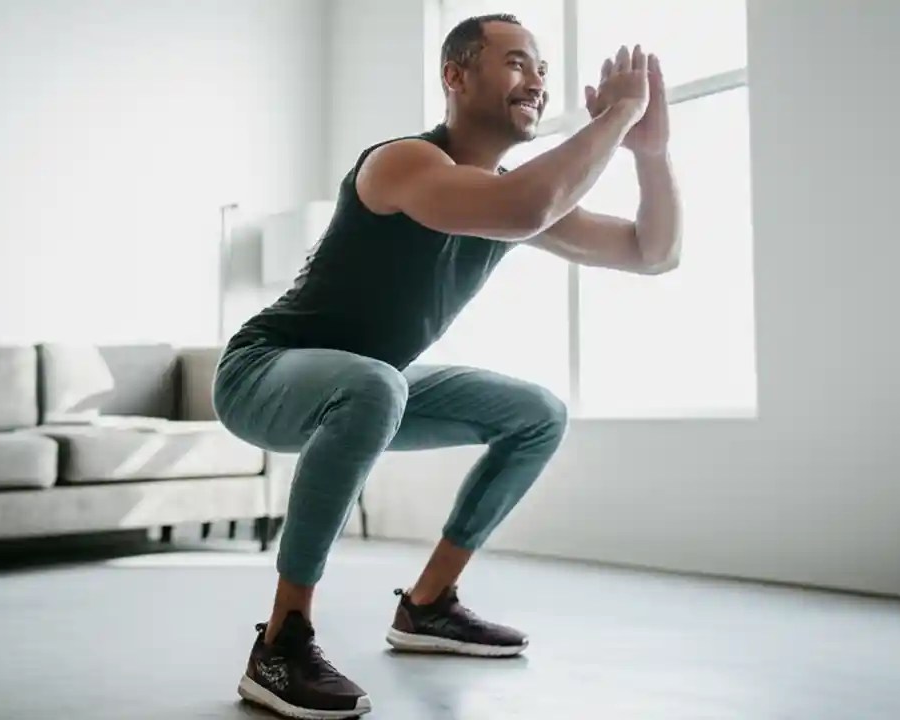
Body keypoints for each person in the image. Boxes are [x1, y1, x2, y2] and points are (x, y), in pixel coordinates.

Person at [214, 12, 681, 719]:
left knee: (536, 415)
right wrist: (617, 116)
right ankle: (281, 643)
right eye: (517, 62)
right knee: (374, 383)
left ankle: (428, 604)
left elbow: (653, 252)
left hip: (373, 384)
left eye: (543, 69)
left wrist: (650, 150)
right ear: (455, 76)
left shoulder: (512, 196)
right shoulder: (403, 163)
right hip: (262, 373)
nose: (537, 80)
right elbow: (525, 207)